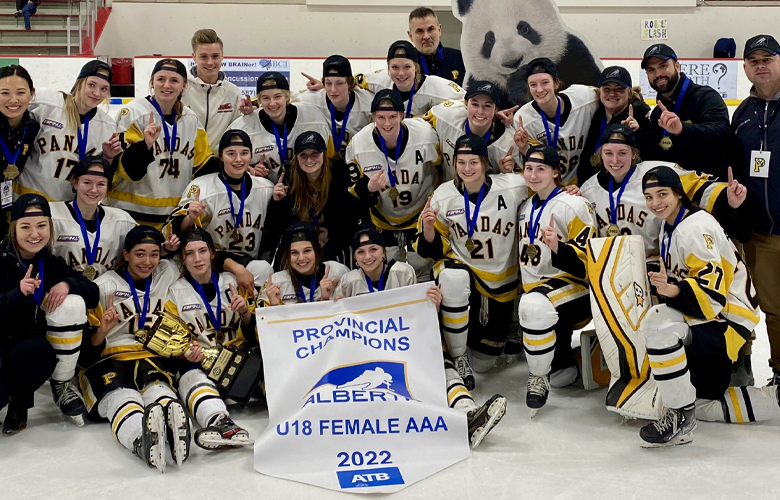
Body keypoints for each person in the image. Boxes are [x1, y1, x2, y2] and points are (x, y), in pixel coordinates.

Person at [637, 165, 780, 448]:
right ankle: (774, 400)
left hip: (726, 321)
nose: (655, 203)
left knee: (657, 323)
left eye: (662, 194)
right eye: (649, 197)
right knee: (701, 402)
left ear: (679, 193)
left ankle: (680, 416)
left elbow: (712, 300)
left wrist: (673, 290)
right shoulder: (673, 222)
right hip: (712, 316)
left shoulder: (694, 228)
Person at [334, 226, 506, 448]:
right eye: (361, 252)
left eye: (373, 249)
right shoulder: (348, 282)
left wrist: (432, 307)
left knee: (441, 365)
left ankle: (468, 413)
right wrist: (332, 305)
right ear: (355, 257)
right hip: (367, 353)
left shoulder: (403, 272)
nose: (368, 257)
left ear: (384, 252)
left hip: (405, 344)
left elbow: (418, 315)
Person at [416, 134, 527, 389]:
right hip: (462, 269)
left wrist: (569, 189)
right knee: (454, 279)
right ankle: (457, 355)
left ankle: (495, 329)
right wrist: (430, 228)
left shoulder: (512, 186)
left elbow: (544, 185)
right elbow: (431, 251)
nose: (467, 168)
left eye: (473, 162)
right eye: (461, 162)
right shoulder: (443, 195)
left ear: (485, 163)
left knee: (484, 362)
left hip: (500, 282)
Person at [80, 225, 189, 473]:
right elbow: (86, 352)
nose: (148, 261)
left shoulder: (167, 272)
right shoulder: (104, 287)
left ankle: (172, 430)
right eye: (140, 254)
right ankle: (140, 440)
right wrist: (103, 330)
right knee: (122, 396)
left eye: (153, 254)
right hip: (109, 358)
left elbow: (198, 256)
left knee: (159, 390)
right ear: (126, 254)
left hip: (152, 357)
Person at [0, 194, 98, 433]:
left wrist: (67, 285)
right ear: (13, 228)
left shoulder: (49, 263)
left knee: (41, 353)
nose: (35, 234)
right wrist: (17, 294)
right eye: (26, 227)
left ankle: (20, 401)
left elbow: (93, 293)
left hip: (23, 346)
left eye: (41, 226)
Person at [580, 124, 749, 261]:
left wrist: (730, 200)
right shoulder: (588, 189)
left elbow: (703, 188)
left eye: (622, 153)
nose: (615, 161)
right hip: (609, 267)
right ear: (600, 155)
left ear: (634, 154)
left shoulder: (656, 174)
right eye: (608, 153)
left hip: (656, 264)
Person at [517, 145, 595, 415]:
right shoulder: (528, 204)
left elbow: (589, 261)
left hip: (574, 287)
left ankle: (537, 377)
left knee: (534, 306)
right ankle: (567, 362)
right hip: (540, 288)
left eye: (541, 169)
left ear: (556, 173)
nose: (534, 174)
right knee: (561, 377)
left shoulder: (574, 204)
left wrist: (560, 249)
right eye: (529, 168)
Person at [164, 228, 254, 450]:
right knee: (190, 379)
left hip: (239, 360)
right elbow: (173, 340)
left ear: (213, 253)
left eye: (202, 251)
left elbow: (255, 333)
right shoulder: (175, 291)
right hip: (201, 363)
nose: (197, 259)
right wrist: (185, 352)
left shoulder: (232, 282)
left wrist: (245, 313)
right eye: (190, 253)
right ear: (182, 259)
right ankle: (220, 422)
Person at [107, 59, 219, 228]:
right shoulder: (134, 113)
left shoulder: (191, 120)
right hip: (128, 215)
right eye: (161, 79)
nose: (167, 85)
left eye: (174, 80)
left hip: (171, 218)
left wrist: (236, 168)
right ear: (152, 83)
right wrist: (145, 145)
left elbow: (203, 166)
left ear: (184, 86)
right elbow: (125, 171)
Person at [347, 90, 441, 280]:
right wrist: (369, 188)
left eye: (392, 116)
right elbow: (353, 192)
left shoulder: (424, 134)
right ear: (373, 117)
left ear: (402, 115)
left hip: (420, 214)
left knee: (422, 268)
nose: (387, 123)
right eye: (381, 117)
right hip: (383, 218)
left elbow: (444, 169)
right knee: (388, 273)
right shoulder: (359, 145)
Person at [166, 129, 274, 292]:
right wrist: (190, 217)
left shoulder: (265, 188)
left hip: (250, 262)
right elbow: (173, 229)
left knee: (263, 270)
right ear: (220, 156)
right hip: (211, 262)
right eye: (231, 153)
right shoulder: (201, 187)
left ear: (251, 156)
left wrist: (280, 201)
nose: (238, 159)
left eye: (244, 153)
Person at [731, 34, 780, 385]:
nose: (760, 65)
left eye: (768, 58)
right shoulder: (743, 113)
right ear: (745, 67)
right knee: (773, 310)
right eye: (753, 60)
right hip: (760, 232)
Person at [16, 60, 119, 203]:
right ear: (79, 83)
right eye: (91, 85)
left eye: (104, 89)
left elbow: (99, 172)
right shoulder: (46, 103)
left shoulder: (107, 125)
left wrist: (108, 157)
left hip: (67, 207)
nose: (97, 93)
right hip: (27, 199)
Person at [264, 131, 359, 267]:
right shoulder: (289, 179)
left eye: (315, 153)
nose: (309, 160)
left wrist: (325, 255)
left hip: (335, 243)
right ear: (296, 157)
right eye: (303, 155)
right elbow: (275, 227)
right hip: (299, 246)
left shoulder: (339, 175)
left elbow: (348, 225)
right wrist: (276, 202)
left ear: (324, 153)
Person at [639, 43, 730, 178]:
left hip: (708, 188)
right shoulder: (658, 112)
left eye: (663, 66)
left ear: (677, 66)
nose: (658, 74)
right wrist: (638, 132)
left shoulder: (706, 97)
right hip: (675, 191)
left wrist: (683, 129)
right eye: (651, 70)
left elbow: (721, 132)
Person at [229, 71, 331, 184]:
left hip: (306, 189)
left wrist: (324, 87)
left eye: (277, 96)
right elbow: (228, 162)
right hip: (266, 192)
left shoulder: (313, 116)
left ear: (287, 96)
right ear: (259, 99)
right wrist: (248, 170)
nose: (272, 103)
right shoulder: (244, 126)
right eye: (266, 98)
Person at [512, 57, 598, 185]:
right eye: (533, 85)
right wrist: (525, 148)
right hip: (546, 184)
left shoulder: (584, 98)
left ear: (556, 83)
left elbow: (608, 96)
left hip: (579, 181)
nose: (539, 89)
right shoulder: (524, 119)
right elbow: (532, 163)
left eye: (545, 82)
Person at [50, 156, 136, 281]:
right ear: (75, 183)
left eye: (101, 184)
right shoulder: (52, 215)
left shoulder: (122, 220)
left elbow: (145, 250)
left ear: (108, 187)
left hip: (103, 293)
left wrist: (166, 248)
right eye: (87, 182)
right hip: (62, 292)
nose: (94, 189)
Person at [424, 80, 517, 180]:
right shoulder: (445, 116)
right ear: (465, 104)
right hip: (446, 192)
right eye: (475, 104)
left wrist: (508, 175)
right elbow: (419, 125)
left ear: (496, 109)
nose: (480, 112)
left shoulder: (508, 144)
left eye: (487, 106)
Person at [578, 66, 653, 185]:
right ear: (600, 91)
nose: (612, 94)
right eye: (607, 89)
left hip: (627, 189)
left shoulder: (640, 116)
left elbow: (651, 158)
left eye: (619, 89)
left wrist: (638, 134)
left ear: (629, 92)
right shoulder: (596, 114)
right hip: (592, 187)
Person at [357, 40, 466, 118]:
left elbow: (467, 103)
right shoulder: (379, 80)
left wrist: (440, 114)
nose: (401, 73)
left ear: (416, 68)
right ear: (388, 68)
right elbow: (352, 81)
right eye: (395, 67)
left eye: (407, 67)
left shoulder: (438, 88)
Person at [295, 55, 374, 161]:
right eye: (328, 83)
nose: (333, 90)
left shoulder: (368, 104)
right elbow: (282, 101)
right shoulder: (310, 100)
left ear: (349, 83)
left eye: (339, 83)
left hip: (357, 162)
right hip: (324, 165)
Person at [182, 29, 243, 156]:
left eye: (215, 56)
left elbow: (237, 133)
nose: (210, 62)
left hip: (218, 165)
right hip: (183, 162)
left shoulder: (233, 93)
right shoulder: (180, 89)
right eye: (203, 56)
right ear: (194, 57)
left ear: (222, 56)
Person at [260, 222, 349, 307]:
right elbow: (259, 321)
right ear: (287, 255)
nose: (301, 258)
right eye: (294, 252)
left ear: (317, 251)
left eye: (307, 251)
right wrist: (274, 306)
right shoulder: (275, 282)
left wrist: (328, 302)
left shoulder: (339, 272)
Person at [0, 64, 40, 237]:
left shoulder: (31, 128)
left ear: (32, 94)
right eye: (5, 93)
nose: (13, 100)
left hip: (6, 206)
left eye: (21, 93)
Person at [407, 7, 466, 87]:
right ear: (410, 36)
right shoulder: (405, 64)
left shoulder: (460, 59)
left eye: (430, 29)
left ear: (439, 30)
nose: (426, 36)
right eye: (420, 31)